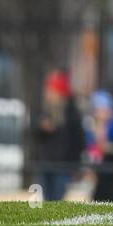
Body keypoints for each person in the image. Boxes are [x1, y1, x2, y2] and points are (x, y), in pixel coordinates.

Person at [33, 69, 83, 202]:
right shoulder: (45, 110)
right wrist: (42, 128)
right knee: (46, 199)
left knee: (56, 199)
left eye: (51, 90)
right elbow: (35, 136)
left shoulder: (71, 113)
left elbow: (78, 141)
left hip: (62, 165)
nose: (48, 93)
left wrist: (74, 165)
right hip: (45, 164)